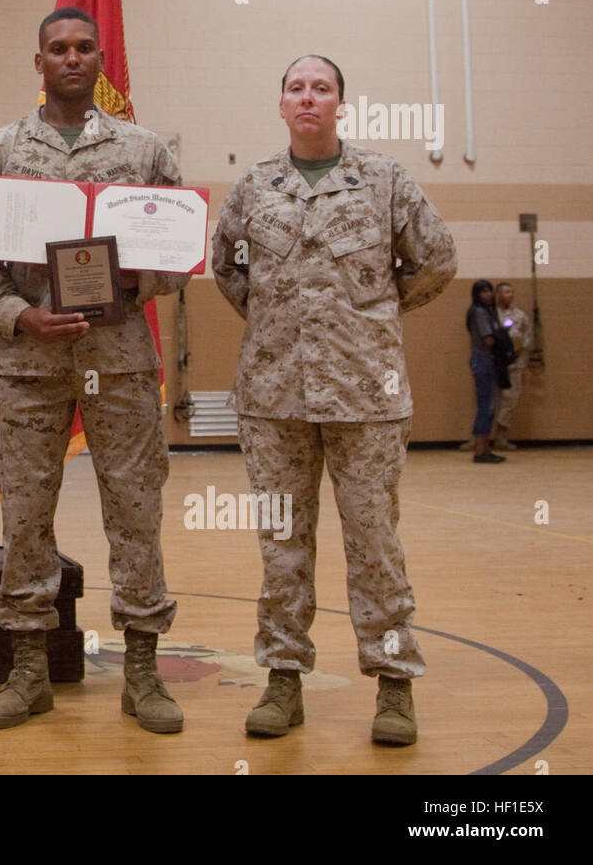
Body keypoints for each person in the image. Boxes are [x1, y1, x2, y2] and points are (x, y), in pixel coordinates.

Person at [211, 54, 457, 746]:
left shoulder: (384, 181)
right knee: (282, 545)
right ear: (281, 105)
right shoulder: (254, 187)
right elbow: (227, 269)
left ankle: (395, 685)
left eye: (322, 88)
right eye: (296, 88)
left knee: (374, 542)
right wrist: (277, 326)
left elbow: (435, 259)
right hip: (273, 397)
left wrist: (370, 319)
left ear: (341, 104)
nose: (309, 98)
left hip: (367, 398)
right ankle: (283, 680)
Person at [0, 7, 189, 734]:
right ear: (39, 63)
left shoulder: (145, 152)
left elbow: (175, 251)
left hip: (119, 360)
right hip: (31, 364)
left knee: (135, 510)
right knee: (27, 515)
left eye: (84, 47)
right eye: (57, 48)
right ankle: (29, 670)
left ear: (100, 60)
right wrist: (19, 317)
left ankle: (144, 672)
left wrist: (134, 287)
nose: (71, 58)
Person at [466, 280, 508, 463]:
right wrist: (502, 338)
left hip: (486, 361)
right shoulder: (480, 312)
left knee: (489, 407)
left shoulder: (487, 312)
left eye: (489, 291)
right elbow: (488, 340)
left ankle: (484, 448)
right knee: (486, 407)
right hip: (484, 361)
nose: (488, 295)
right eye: (484, 292)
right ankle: (480, 450)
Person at [491, 281, 532, 451]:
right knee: (489, 401)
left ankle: (502, 436)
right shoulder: (490, 314)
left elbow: (528, 338)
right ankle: (481, 438)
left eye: (512, 292)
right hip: (494, 363)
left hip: (513, 363)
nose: (510, 295)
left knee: (510, 400)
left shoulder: (520, 316)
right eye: (506, 292)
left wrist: (518, 349)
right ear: (498, 294)